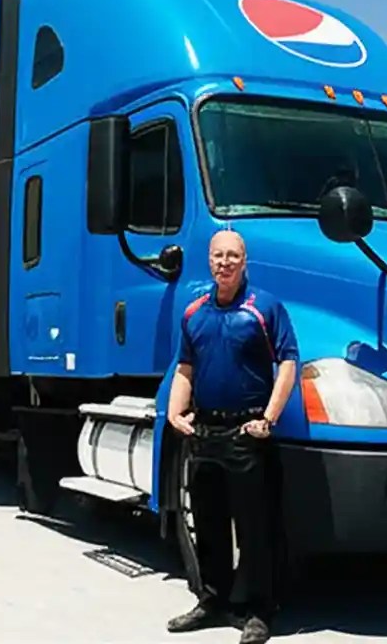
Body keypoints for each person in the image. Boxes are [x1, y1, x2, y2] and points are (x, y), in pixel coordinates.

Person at [165, 229, 299, 644]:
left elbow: (289, 361)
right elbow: (185, 367)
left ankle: (259, 610)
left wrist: (269, 418)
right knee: (208, 523)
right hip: (205, 431)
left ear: (245, 262)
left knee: (256, 526)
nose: (225, 262)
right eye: (218, 255)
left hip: (247, 433)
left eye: (233, 256)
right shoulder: (194, 313)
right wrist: (174, 413)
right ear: (209, 260)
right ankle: (212, 601)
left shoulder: (265, 309)